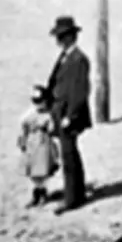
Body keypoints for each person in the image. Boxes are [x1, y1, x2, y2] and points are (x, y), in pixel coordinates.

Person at [45, 15, 92, 213]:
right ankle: (77, 192)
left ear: (71, 37)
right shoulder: (66, 57)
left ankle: (72, 198)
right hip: (60, 111)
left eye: (62, 36)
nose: (59, 40)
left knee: (69, 155)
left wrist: (70, 116)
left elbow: (79, 91)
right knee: (70, 154)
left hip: (68, 115)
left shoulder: (78, 59)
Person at [17, 84, 59, 208]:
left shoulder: (48, 114)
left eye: (41, 102)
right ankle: (38, 192)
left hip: (43, 144)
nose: (38, 105)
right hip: (32, 144)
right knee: (32, 171)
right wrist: (22, 141)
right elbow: (23, 128)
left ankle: (42, 193)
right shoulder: (28, 115)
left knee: (43, 169)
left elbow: (52, 129)